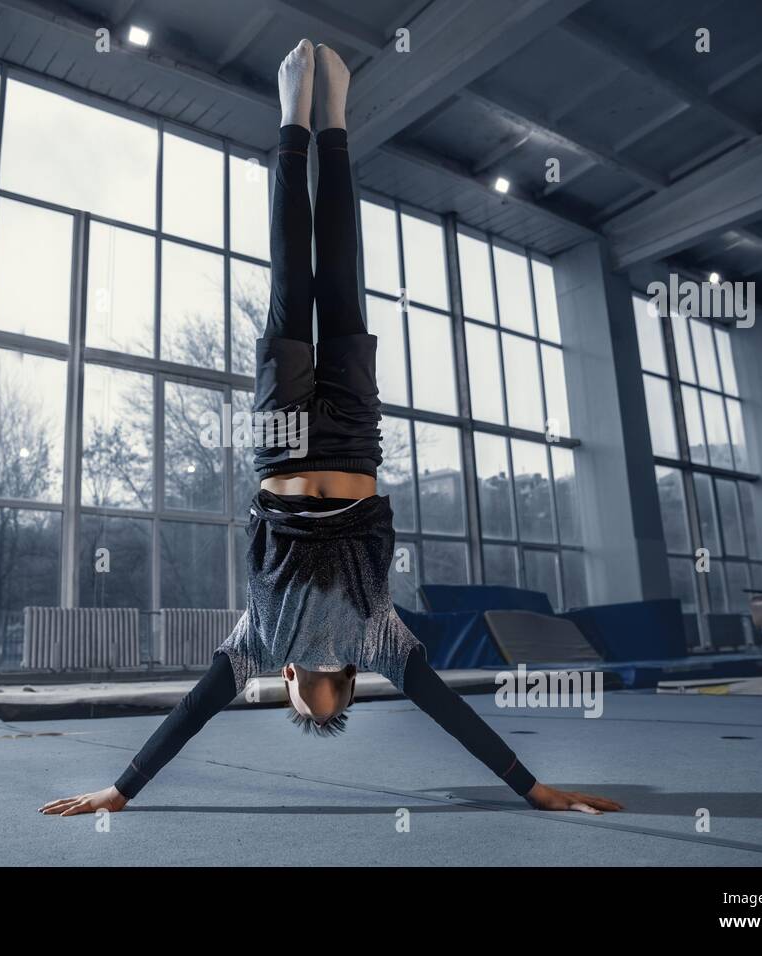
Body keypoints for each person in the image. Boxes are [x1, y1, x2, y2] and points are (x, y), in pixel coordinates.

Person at [42, 41, 623, 818]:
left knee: (325, 280)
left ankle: (325, 124)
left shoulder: (367, 648)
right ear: (310, 682)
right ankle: (308, 124)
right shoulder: (296, 645)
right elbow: (196, 714)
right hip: (299, 450)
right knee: (303, 281)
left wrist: (533, 787)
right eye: (315, 687)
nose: (310, 676)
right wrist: (122, 788)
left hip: (332, 446)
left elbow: (449, 716)